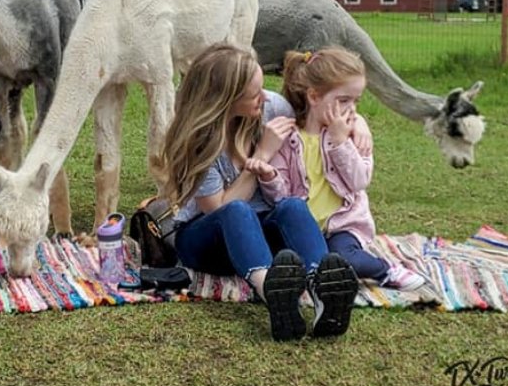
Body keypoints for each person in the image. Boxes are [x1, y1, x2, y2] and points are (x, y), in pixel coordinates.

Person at [157, 43, 360, 342]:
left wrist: (360, 124)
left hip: (260, 233)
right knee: (238, 211)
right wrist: (261, 156)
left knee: (292, 206)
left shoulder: (272, 109)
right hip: (208, 241)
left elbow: (321, 115)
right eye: (254, 94)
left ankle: (323, 295)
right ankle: (274, 294)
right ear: (225, 99)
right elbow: (219, 209)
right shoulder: (199, 140)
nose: (264, 97)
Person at [258, 47, 426, 291]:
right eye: (344, 100)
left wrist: (340, 143)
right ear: (314, 97)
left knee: (343, 258)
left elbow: (359, 180)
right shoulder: (286, 137)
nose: (352, 110)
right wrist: (270, 177)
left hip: (342, 227)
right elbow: (280, 199)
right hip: (303, 229)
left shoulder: (352, 135)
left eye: (356, 101)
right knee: (286, 259)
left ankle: (385, 270)